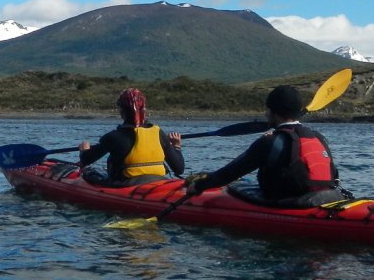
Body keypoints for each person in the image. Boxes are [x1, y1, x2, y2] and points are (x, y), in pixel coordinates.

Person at [184, 85, 340, 202]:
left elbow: (229, 174)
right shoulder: (318, 137)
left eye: (267, 110)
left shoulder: (270, 142)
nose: (265, 114)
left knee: (235, 187)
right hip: (327, 197)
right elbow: (334, 175)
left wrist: (198, 186)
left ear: (272, 111)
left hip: (288, 202)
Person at [78, 88, 184, 184]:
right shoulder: (159, 133)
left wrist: (84, 151)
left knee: (89, 173)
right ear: (144, 110)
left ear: (122, 112)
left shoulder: (113, 137)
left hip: (127, 184)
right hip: (158, 180)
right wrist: (176, 146)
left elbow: (86, 160)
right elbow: (179, 169)